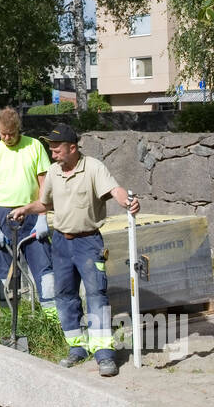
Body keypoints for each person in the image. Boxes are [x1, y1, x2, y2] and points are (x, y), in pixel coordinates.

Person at [10, 121, 140, 377]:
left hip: (88, 242)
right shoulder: (53, 172)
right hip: (60, 243)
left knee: (96, 295)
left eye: (57, 148)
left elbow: (115, 189)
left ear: (72, 148)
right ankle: (76, 348)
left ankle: (104, 354)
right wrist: (26, 209)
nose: (53, 153)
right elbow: (44, 204)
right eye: (51, 149)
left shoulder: (92, 167)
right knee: (65, 296)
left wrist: (128, 202)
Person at [0, 106, 59, 327]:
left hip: (31, 212)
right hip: (4, 216)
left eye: (11, 133)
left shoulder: (34, 146)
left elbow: (44, 185)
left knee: (45, 271)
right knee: (6, 273)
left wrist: (42, 215)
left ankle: (52, 323)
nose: (7, 138)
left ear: (18, 129)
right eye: (3, 134)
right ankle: (10, 322)